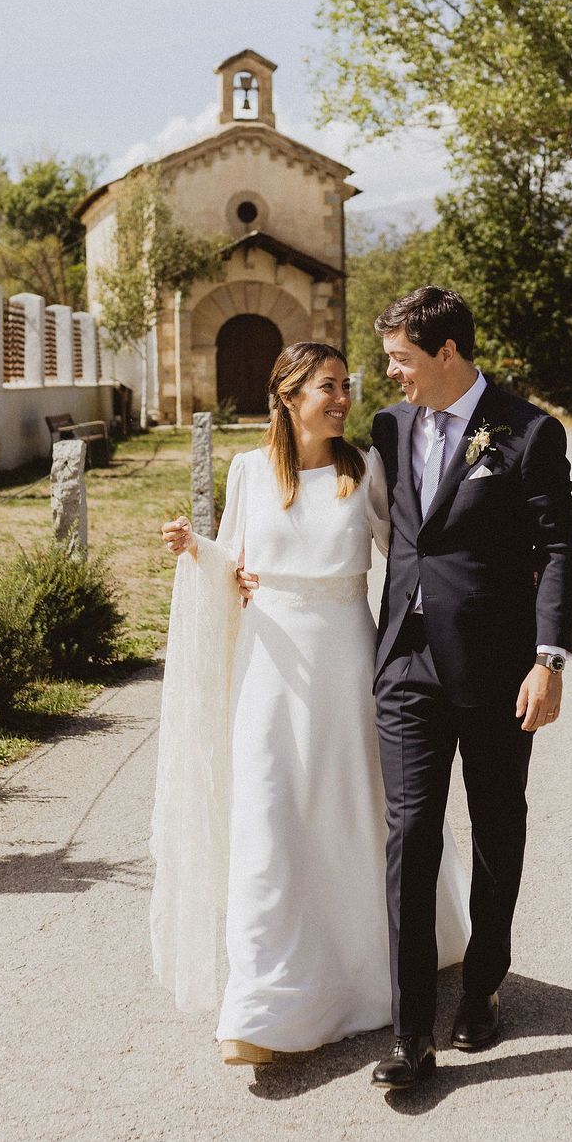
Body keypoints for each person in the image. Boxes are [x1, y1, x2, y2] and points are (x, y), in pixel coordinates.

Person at [149, 340, 472, 1067]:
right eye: (328, 386)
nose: (343, 399)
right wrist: (195, 549)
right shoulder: (248, 470)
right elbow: (235, 560)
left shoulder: (366, 470)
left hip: (347, 659)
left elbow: (410, 553)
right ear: (288, 395)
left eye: (346, 385)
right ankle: (263, 1007)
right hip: (269, 664)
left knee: (353, 812)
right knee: (270, 815)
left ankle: (368, 972)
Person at [364, 285, 572, 1090]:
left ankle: (484, 982)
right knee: (410, 834)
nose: (392, 372)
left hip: (498, 667)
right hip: (406, 663)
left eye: (401, 358)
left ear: (446, 351)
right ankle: (409, 1032)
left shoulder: (528, 431)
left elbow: (558, 548)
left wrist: (549, 659)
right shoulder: (389, 427)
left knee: (496, 827)